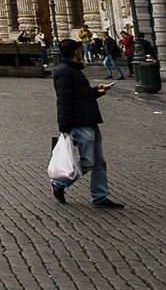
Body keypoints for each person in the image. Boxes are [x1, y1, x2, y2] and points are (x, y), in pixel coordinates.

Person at [50, 38, 120, 208]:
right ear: (76, 52)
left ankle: (100, 196)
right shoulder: (64, 71)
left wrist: (97, 91)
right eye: (80, 50)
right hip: (79, 122)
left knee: (99, 161)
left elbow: (79, 95)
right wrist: (64, 127)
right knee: (88, 161)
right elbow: (63, 100)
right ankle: (59, 184)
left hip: (89, 119)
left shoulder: (72, 70)